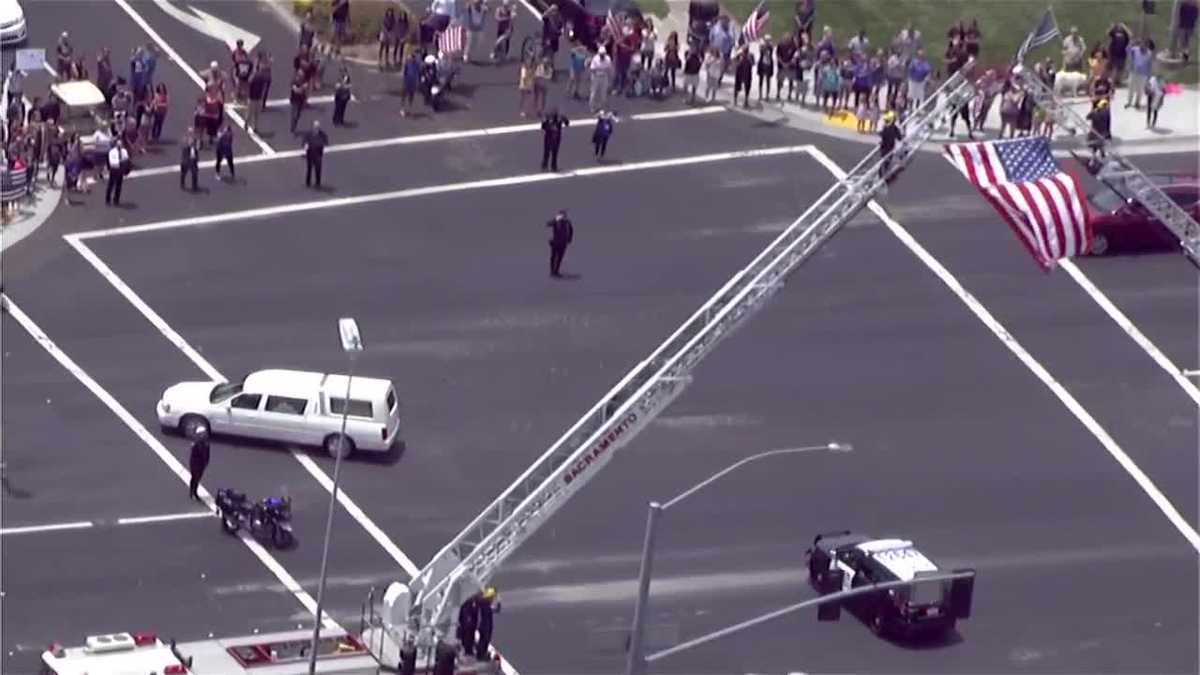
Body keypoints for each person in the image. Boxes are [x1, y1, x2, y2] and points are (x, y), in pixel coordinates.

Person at [1126, 39, 1153, 109]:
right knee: (1131, 88)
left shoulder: (1149, 53)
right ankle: (1129, 102)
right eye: (1142, 44)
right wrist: (1130, 44)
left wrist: (1149, 76)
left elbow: (1149, 65)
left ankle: (1137, 102)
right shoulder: (1135, 50)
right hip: (1133, 72)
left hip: (1143, 74)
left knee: (1140, 90)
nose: (1142, 46)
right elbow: (1127, 50)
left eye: (1145, 45)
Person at [878, 109, 902, 182]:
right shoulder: (894, 128)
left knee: (885, 161)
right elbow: (899, 137)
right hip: (889, 147)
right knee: (886, 162)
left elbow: (882, 135)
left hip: (886, 147)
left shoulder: (887, 127)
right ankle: (883, 175)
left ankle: (882, 175)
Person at [546, 210, 573, 277]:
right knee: (553, 257)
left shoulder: (567, 222)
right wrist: (555, 219)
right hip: (555, 242)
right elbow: (548, 224)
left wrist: (569, 239)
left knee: (559, 258)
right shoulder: (556, 222)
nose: (562, 217)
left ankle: (556, 271)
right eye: (561, 215)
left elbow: (571, 231)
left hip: (563, 243)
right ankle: (552, 271)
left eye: (563, 215)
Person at [473, 588, 497, 661]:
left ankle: (481, 654)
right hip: (485, 626)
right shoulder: (485, 603)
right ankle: (481, 655)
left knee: (484, 640)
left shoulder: (484, 603)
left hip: (484, 625)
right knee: (484, 640)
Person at [187, 425, 211, 501]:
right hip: (195, 463)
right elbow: (198, 453)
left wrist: (206, 462)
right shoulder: (196, 443)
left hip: (202, 463)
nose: (205, 434)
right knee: (195, 477)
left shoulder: (206, 442)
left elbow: (207, 453)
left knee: (198, 478)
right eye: (203, 433)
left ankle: (195, 492)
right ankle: (192, 493)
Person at [303, 120, 328, 187]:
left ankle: (318, 182)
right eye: (315, 127)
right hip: (310, 153)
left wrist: (320, 144)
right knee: (309, 168)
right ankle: (308, 182)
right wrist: (305, 145)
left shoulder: (322, 135)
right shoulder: (308, 134)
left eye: (317, 127)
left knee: (318, 168)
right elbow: (305, 141)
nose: (316, 128)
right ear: (313, 127)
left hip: (318, 154)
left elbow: (325, 142)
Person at [105, 138, 129, 206]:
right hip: (114, 170)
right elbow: (112, 162)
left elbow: (126, 158)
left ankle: (116, 200)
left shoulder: (124, 151)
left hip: (120, 170)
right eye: (118, 144)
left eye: (121, 144)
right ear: (116, 144)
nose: (120, 146)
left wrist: (123, 163)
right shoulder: (112, 152)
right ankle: (108, 199)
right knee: (111, 185)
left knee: (119, 186)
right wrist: (120, 161)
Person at [589, 47, 613, 113]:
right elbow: (592, 69)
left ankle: (602, 107)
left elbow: (609, 69)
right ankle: (592, 107)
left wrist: (610, 79)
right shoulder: (595, 59)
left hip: (604, 77)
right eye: (601, 54)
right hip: (596, 77)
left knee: (603, 94)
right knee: (593, 93)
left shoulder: (608, 59)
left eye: (603, 54)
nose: (602, 56)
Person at [289, 70, 308, 134]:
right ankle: (292, 127)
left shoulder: (304, 81)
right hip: (294, 100)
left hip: (301, 100)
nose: (301, 77)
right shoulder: (294, 81)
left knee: (298, 115)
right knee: (295, 114)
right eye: (300, 75)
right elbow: (296, 91)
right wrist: (302, 88)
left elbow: (304, 90)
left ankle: (294, 125)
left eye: (302, 75)